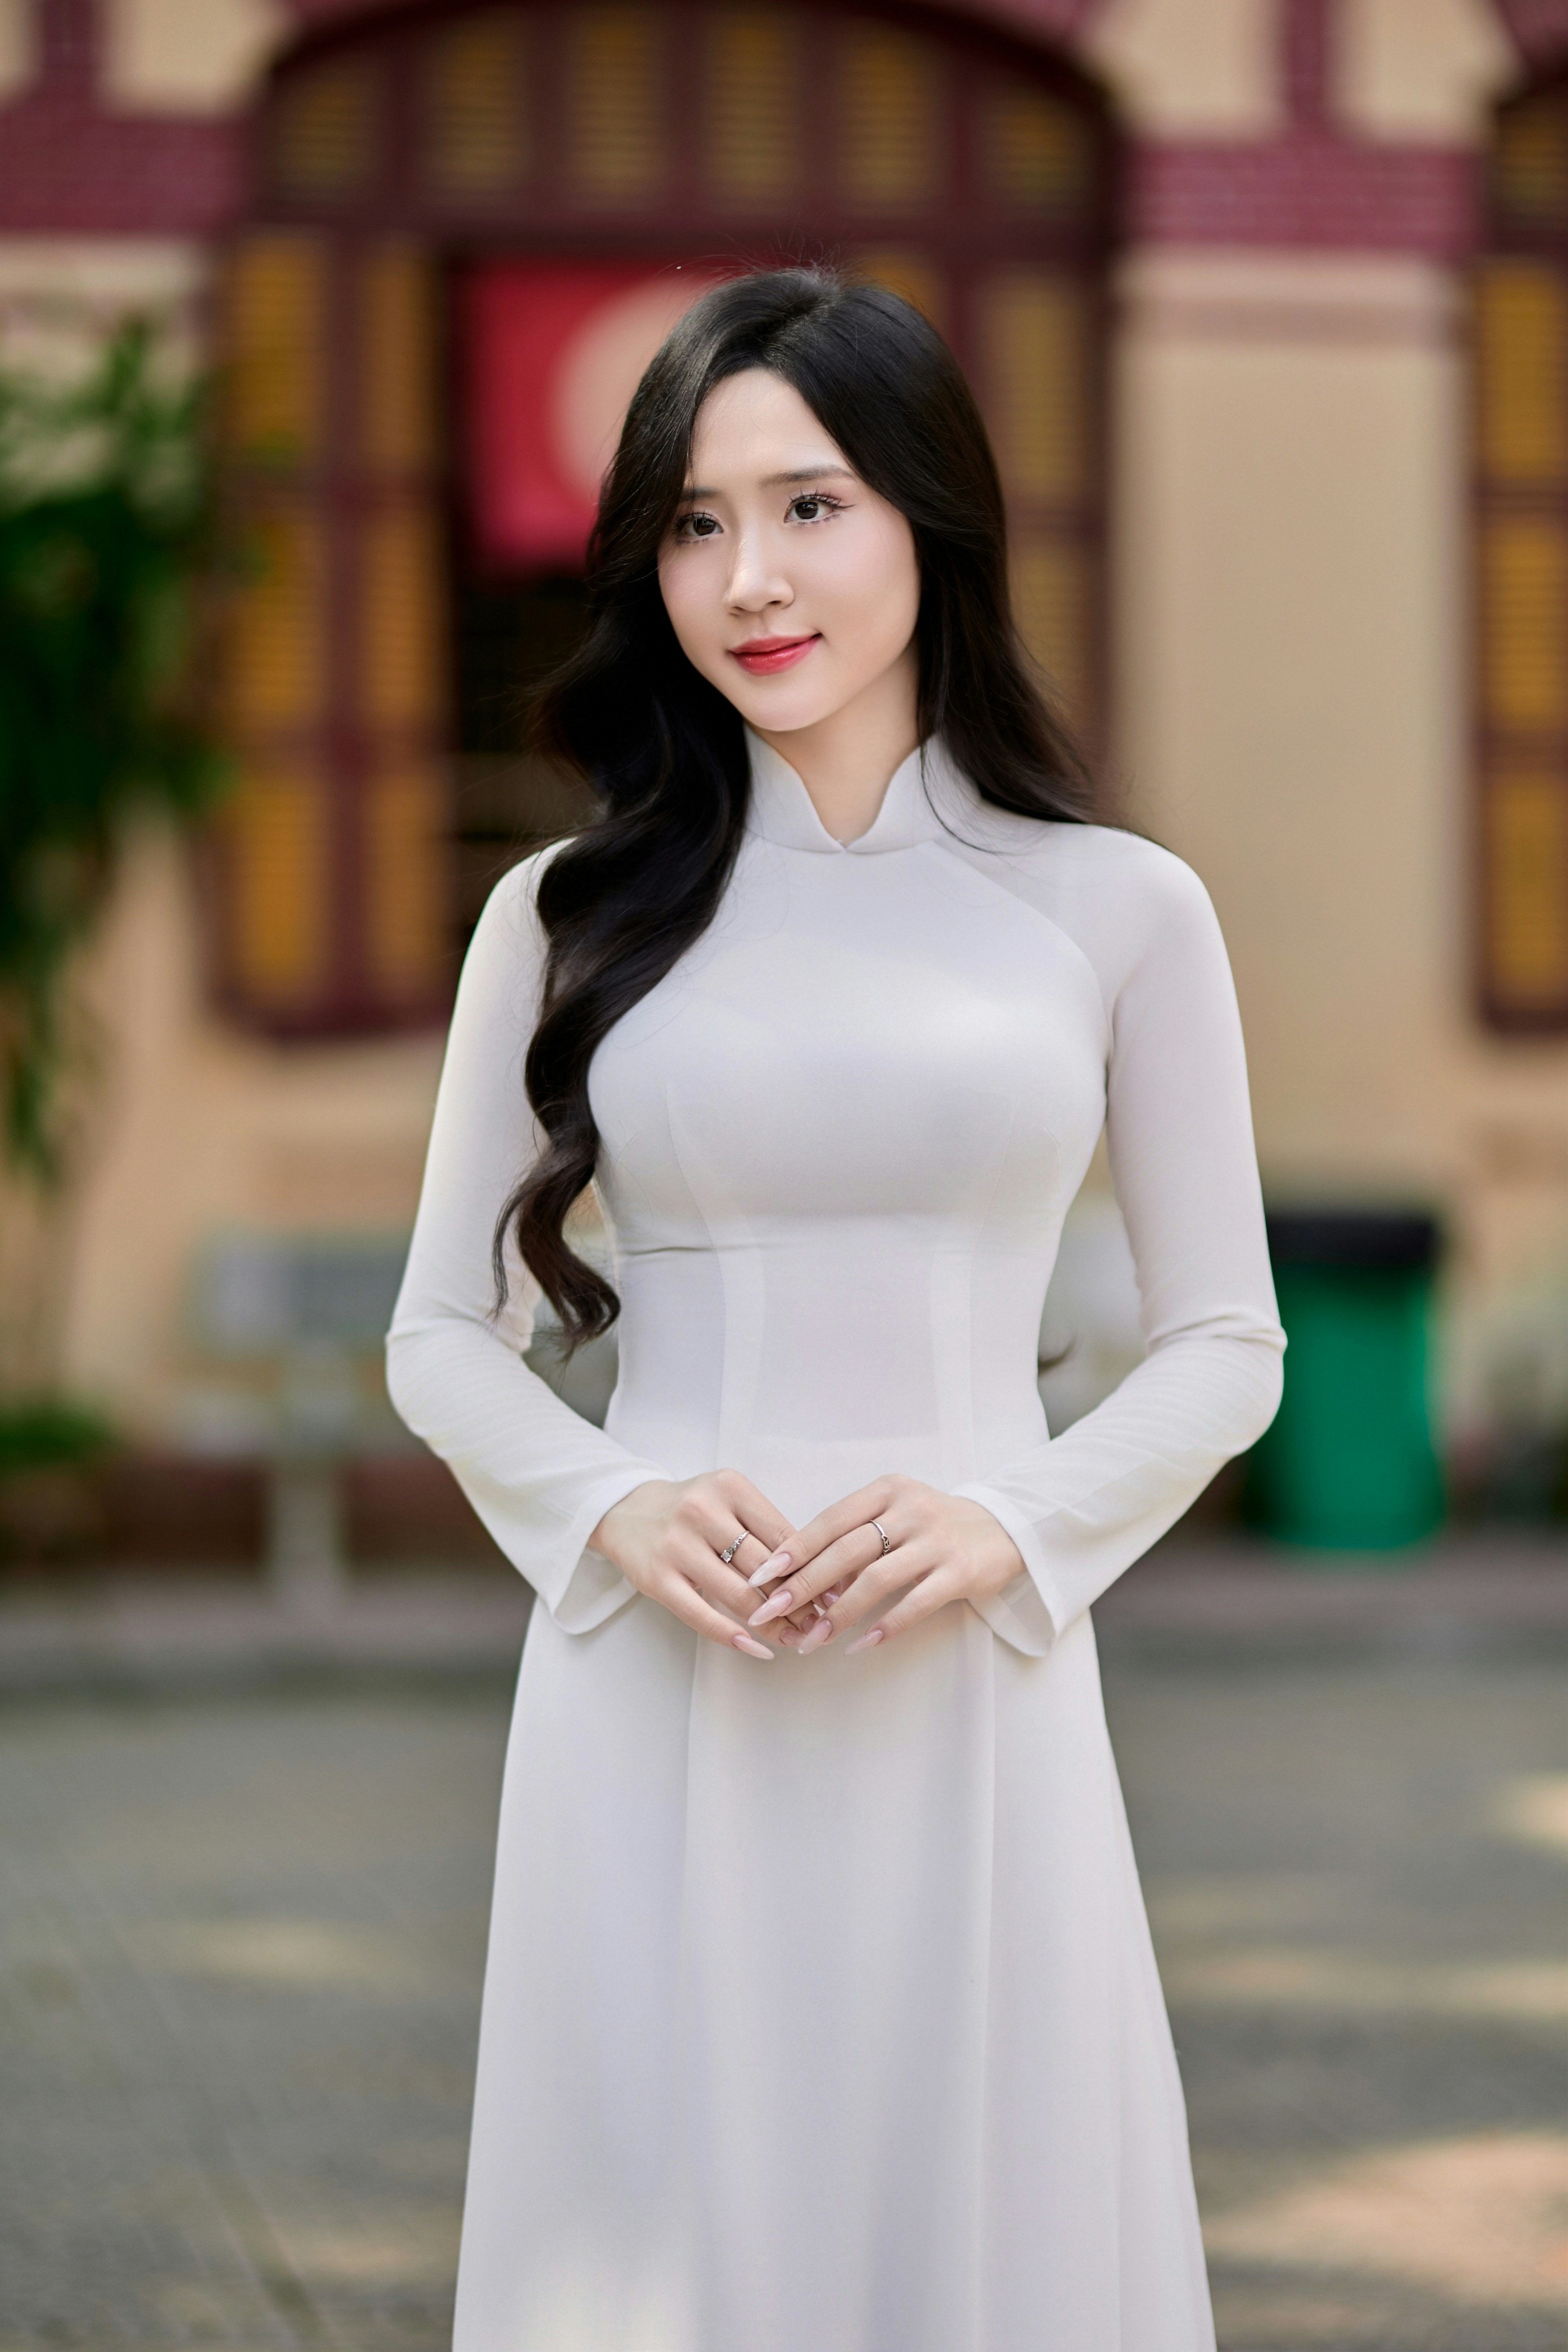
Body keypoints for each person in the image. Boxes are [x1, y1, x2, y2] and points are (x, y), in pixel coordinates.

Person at [387, 267, 1285, 2352]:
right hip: (655, 1671)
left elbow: (1228, 1341)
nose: (750, 581)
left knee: (981, 2215)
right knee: (662, 2233)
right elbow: (442, 1333)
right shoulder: (566, 915)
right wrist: (612, 1506)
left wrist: (1015, 1522)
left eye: (809, 506)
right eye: (695, 524)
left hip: (971, 1663)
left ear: (929, 517)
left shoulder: (1119, 908)